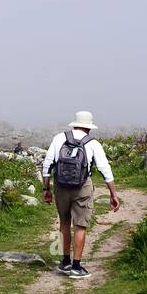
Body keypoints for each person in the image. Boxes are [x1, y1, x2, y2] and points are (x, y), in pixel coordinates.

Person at [42, 111, 121, 278]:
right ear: (89, 127)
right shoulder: (93, 143)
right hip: (82, 187)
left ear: (75, 123)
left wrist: (46, 189)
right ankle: (76, 267)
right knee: (80, 225)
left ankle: (65, 262)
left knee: (64, 222)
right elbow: (105, 169)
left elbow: (48, 163)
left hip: (61, 186)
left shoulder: (59, 138)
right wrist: (113, 194)